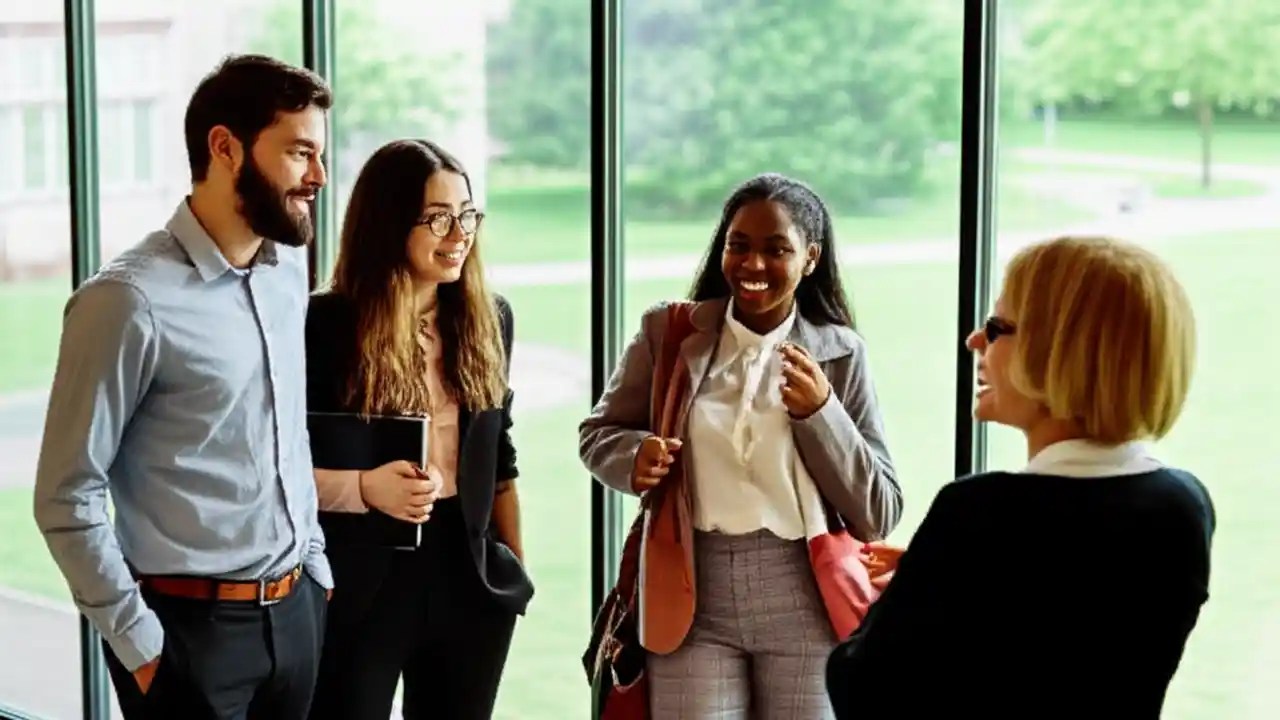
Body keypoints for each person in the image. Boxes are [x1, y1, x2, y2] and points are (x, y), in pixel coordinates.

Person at [32, 54, 333, 718]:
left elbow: (287, 431)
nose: (319, 176)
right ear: (225, 148)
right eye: (300, 153)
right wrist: (139, 645)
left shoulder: (286, 270)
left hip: (297, 615)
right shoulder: (125, 301)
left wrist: (315, 569)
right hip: (187, 639)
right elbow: (65, 494)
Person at [826, 235, 1215, 719]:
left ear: (1058, 350)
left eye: (996, 327)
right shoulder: (1185, 505)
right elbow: (1072, 616)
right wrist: (941, 572)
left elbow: (865, 691)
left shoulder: (977, 513)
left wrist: (903, 599)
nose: (974, 340)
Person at [580, 172, 902, 719]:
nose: (752, 265)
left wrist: (822, 413)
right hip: (688, 592)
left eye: (777, 249)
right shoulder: (669, 333)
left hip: (804, 596)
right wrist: (636, 456)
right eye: (739, 245)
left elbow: (879, 510)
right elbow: (599, 432)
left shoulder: (841, 354)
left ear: (811, 258)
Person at [304, 139, 532, 720]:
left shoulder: (490, 317)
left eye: (466, 215)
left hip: (469, 575)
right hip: (360, 580)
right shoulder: (324, 326)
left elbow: (500, 457)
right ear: (386, 224)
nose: (459, 234)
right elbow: (276, 471)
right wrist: (362, 487)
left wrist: (511, 570)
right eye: (437, 218)